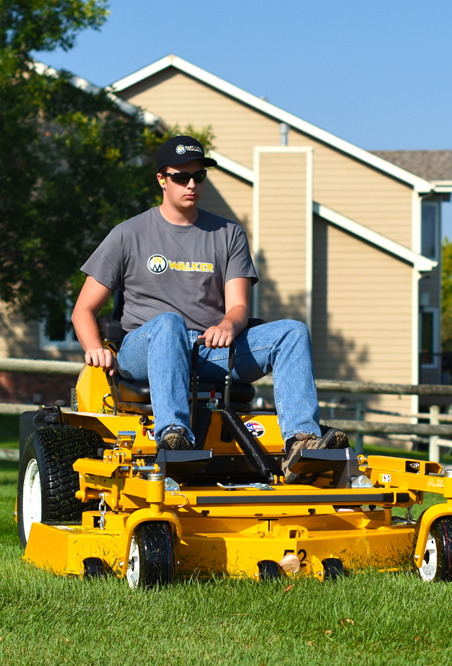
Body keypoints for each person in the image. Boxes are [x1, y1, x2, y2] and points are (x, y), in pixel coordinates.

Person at [70, 134, 346, 475]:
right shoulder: (128, 234)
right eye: (181, 177)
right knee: (169, 322)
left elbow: (238, 307)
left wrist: (228, 325)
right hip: (145, 348)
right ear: (161, 179)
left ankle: (302, 443)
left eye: (198, 176)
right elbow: (83, 309)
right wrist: (94, 348)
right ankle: (174, 437)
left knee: (292, 332)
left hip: (207, 350)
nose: (191, 184)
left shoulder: (229, 234)